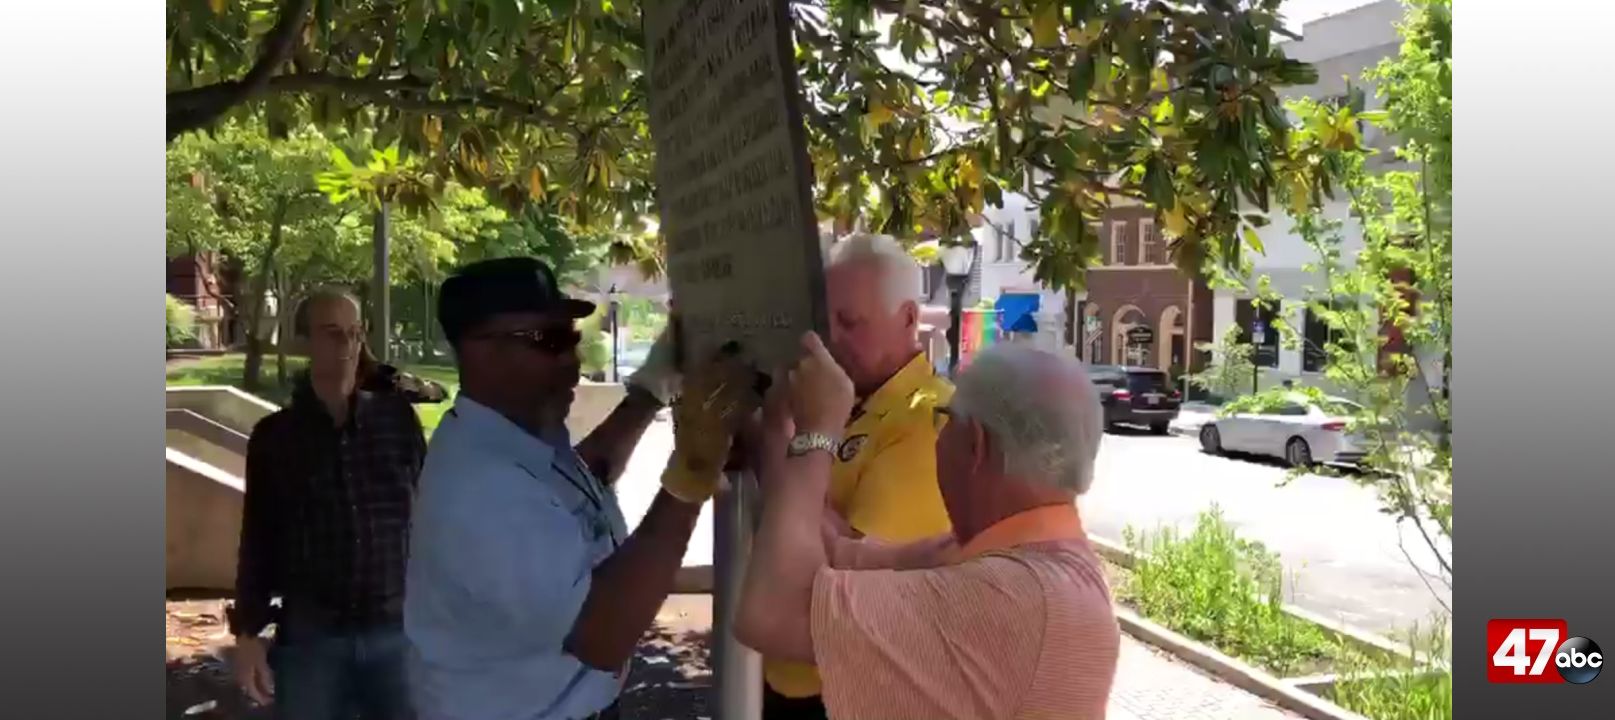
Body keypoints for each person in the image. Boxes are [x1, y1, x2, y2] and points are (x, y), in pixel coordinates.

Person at [403, 257, 761, 720]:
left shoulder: (513, 439)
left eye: (571, 338)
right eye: (550, 341)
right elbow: (602, 636)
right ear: (480, 351)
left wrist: (649, 391)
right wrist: (691, 471)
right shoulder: (479, 488)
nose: (572, 363)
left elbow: (585, 476)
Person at [736, 336, 1121, 720]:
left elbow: (775, 615)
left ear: (975, 445)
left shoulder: (1014, 597)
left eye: (945, 419)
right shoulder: (1025, 562)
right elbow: (837, 553)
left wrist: (817, 434)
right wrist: (776, 431)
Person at [761, 233, 956, 719]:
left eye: (850, 323)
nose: (832, 340)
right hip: (792, 678)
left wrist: (779, 444)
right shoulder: (847, 399)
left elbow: (847, 569)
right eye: (825, 323)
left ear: (909, 318)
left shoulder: (926, 421)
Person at [229, 288, 428, 720]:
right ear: (303, 342)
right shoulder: (275, 438)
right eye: (332, 333)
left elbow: (431, 519)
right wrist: (247, 633)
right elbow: (258, 538)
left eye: (355, 334)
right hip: (311, 639)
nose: (347, 346)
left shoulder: (395, 421)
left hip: (397, 631)